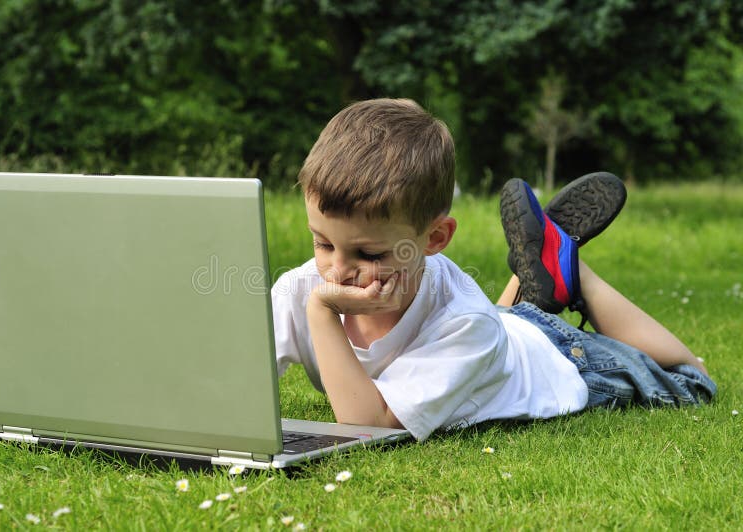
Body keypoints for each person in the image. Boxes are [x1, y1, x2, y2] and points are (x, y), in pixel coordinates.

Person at [271, 98, 715, 441]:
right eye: (323, 242)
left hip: (560, 359)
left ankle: (571, 270)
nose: (337, 270)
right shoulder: (299, 285)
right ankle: (537, 278)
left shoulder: (465, 322)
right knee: (495, 324)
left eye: (369, 255)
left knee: (693, 382)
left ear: (435, 239)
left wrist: (321, 311)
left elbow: (369, 423)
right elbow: (227, 377)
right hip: (497, 332)